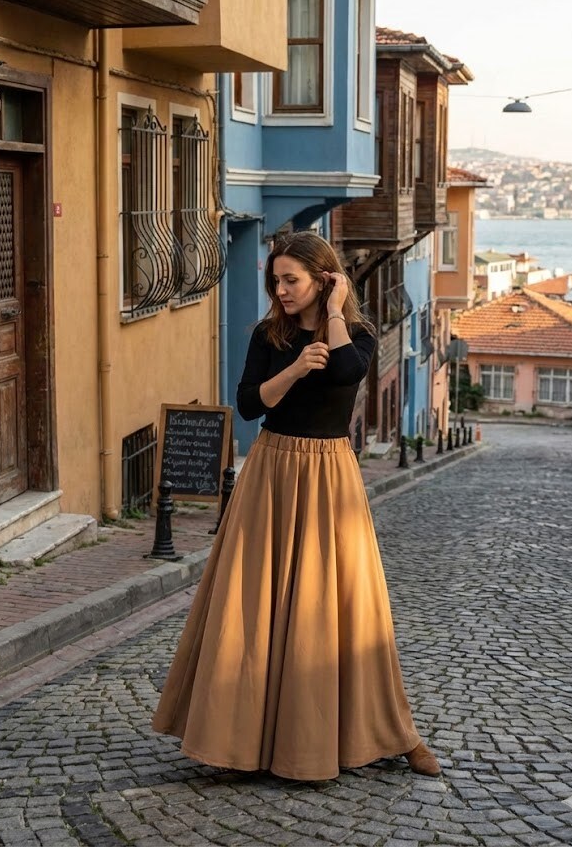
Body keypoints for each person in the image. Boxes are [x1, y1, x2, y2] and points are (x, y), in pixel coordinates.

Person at [152, 232, 440, 781]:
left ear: (324, 279)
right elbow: (245, 403)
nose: (281, 289)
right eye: (276, 280)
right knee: (253, 604)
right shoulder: (269, 334)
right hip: (273, 469)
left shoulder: (355, 332)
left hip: (332, 474)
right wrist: (293, 368)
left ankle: (390, 732)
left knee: (347, 608)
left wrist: (333, 312)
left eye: (293, 280)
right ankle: (241, 738)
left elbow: (347, 373)